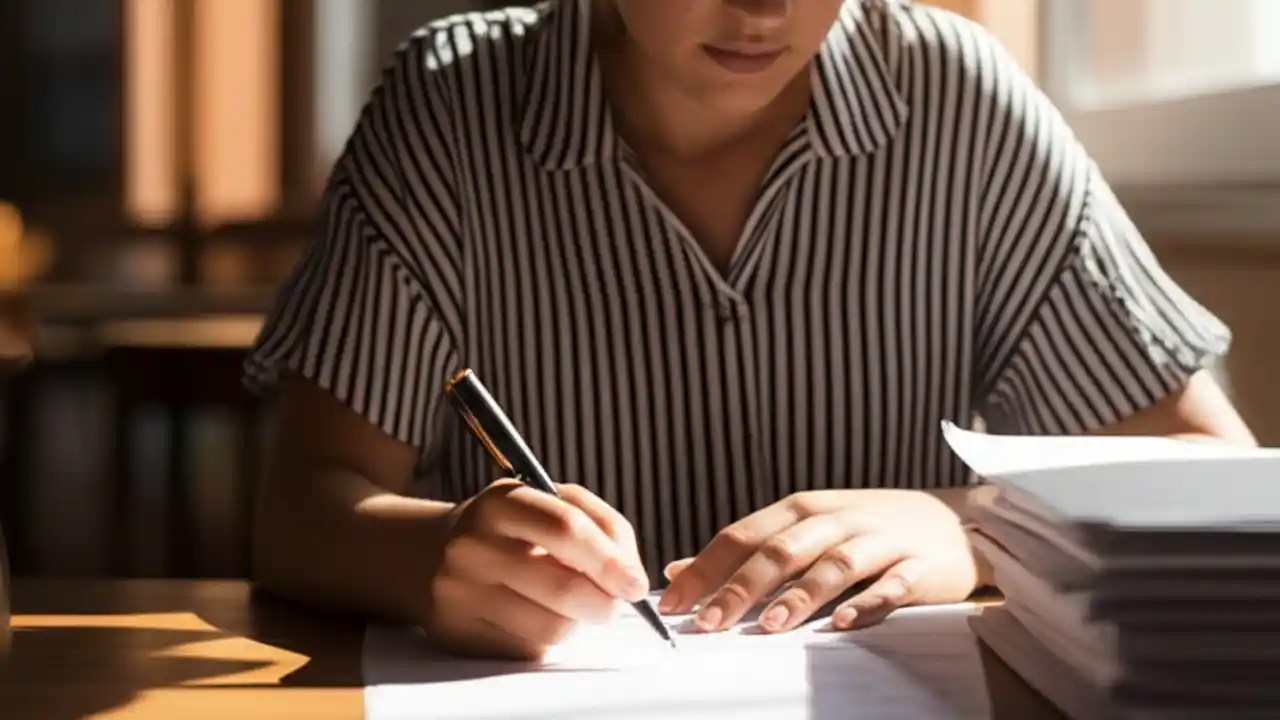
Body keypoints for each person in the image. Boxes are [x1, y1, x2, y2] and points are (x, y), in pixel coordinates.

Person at [245, 0, 1255, 660]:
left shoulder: (958, 104)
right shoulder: (447, 110)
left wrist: (971, 526)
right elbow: (299, 510)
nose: (764, 7)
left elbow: (1206, 471)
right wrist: (431, 557)